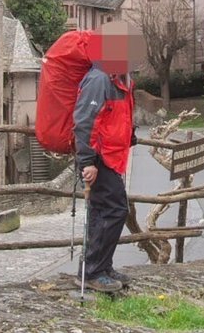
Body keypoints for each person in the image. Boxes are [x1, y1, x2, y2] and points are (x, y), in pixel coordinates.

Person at [73, 22, 142, 292]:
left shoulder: (119, 78)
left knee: (105, 211)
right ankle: (92, 271)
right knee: (114, 210)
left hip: (112, 157)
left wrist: (128, 137)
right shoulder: (99, 79)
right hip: (100, 159)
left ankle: (100, 267)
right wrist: (87, 162)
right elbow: (84, 121)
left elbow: (116, 117)